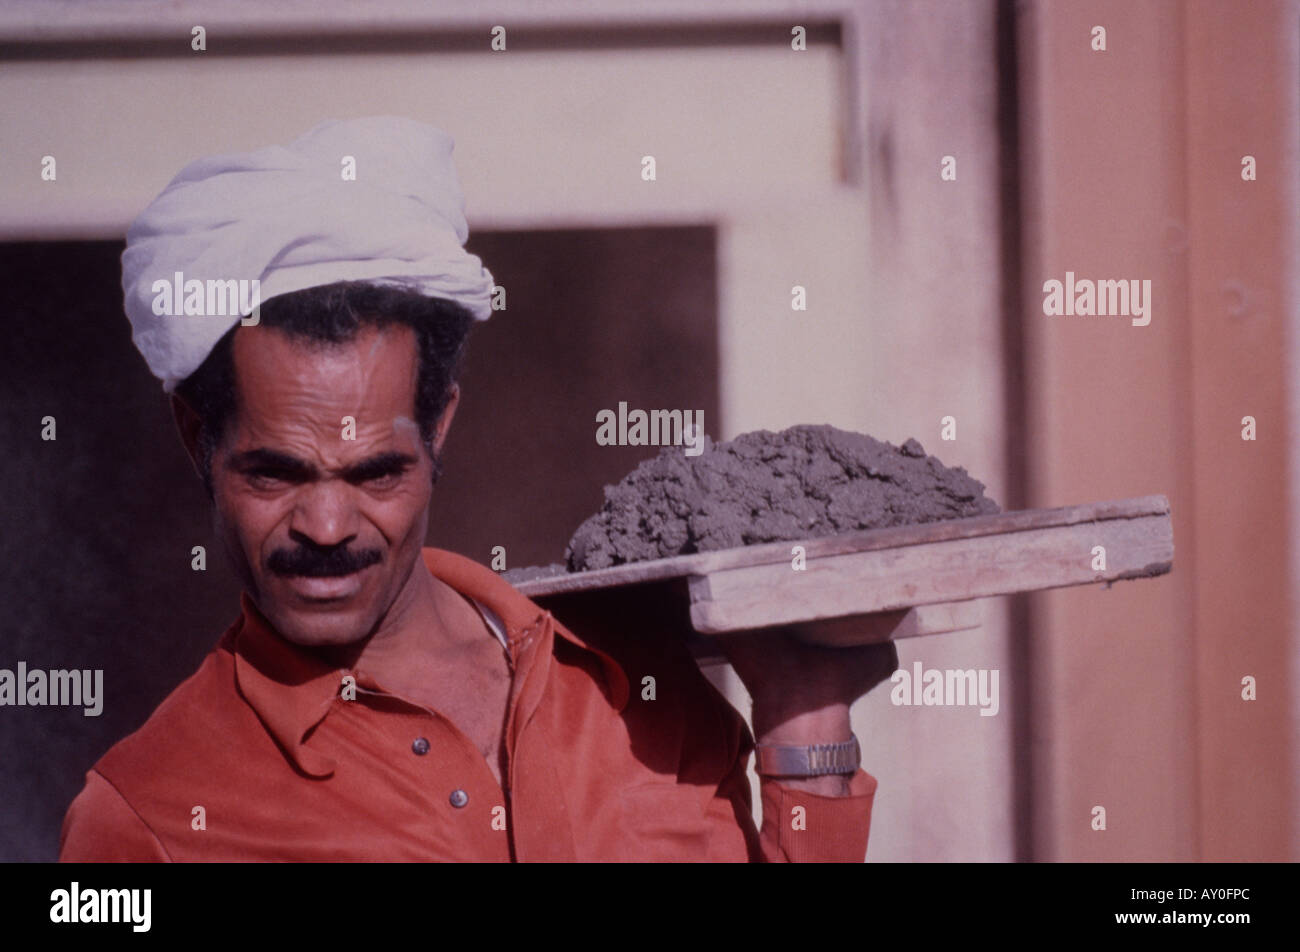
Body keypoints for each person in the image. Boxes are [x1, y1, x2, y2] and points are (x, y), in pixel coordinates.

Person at [59, 117, 897, 862]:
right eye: (274, 472)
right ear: (196, 439)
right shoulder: (149, 818)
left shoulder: (629, 679)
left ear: (441, 428)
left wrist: (802, 726)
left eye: (376, 472)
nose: (324, 525)